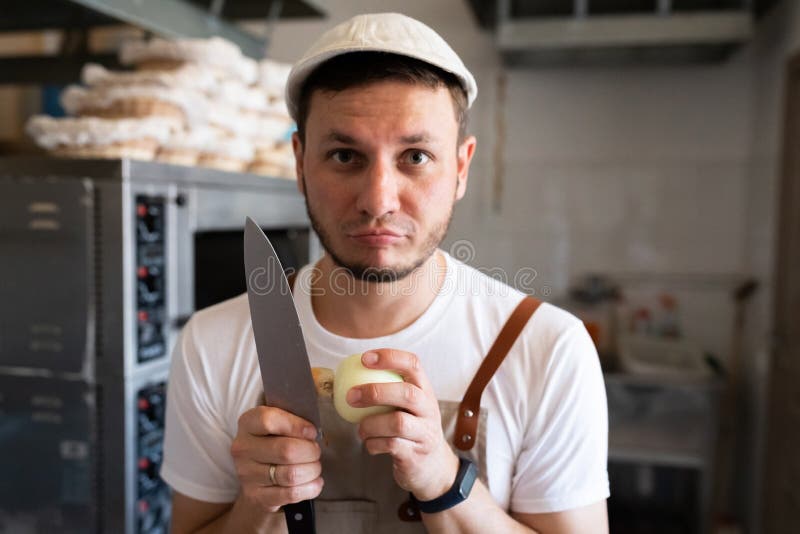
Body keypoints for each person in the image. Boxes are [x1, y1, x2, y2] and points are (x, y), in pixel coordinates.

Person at [162, 12, 610, 534]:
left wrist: (445, 481)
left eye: (415, 156)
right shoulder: (215, 342)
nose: (378, 201)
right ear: (300, 162)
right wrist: (258, 505)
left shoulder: (547, 349)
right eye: (345, 155)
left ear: (461, 168)